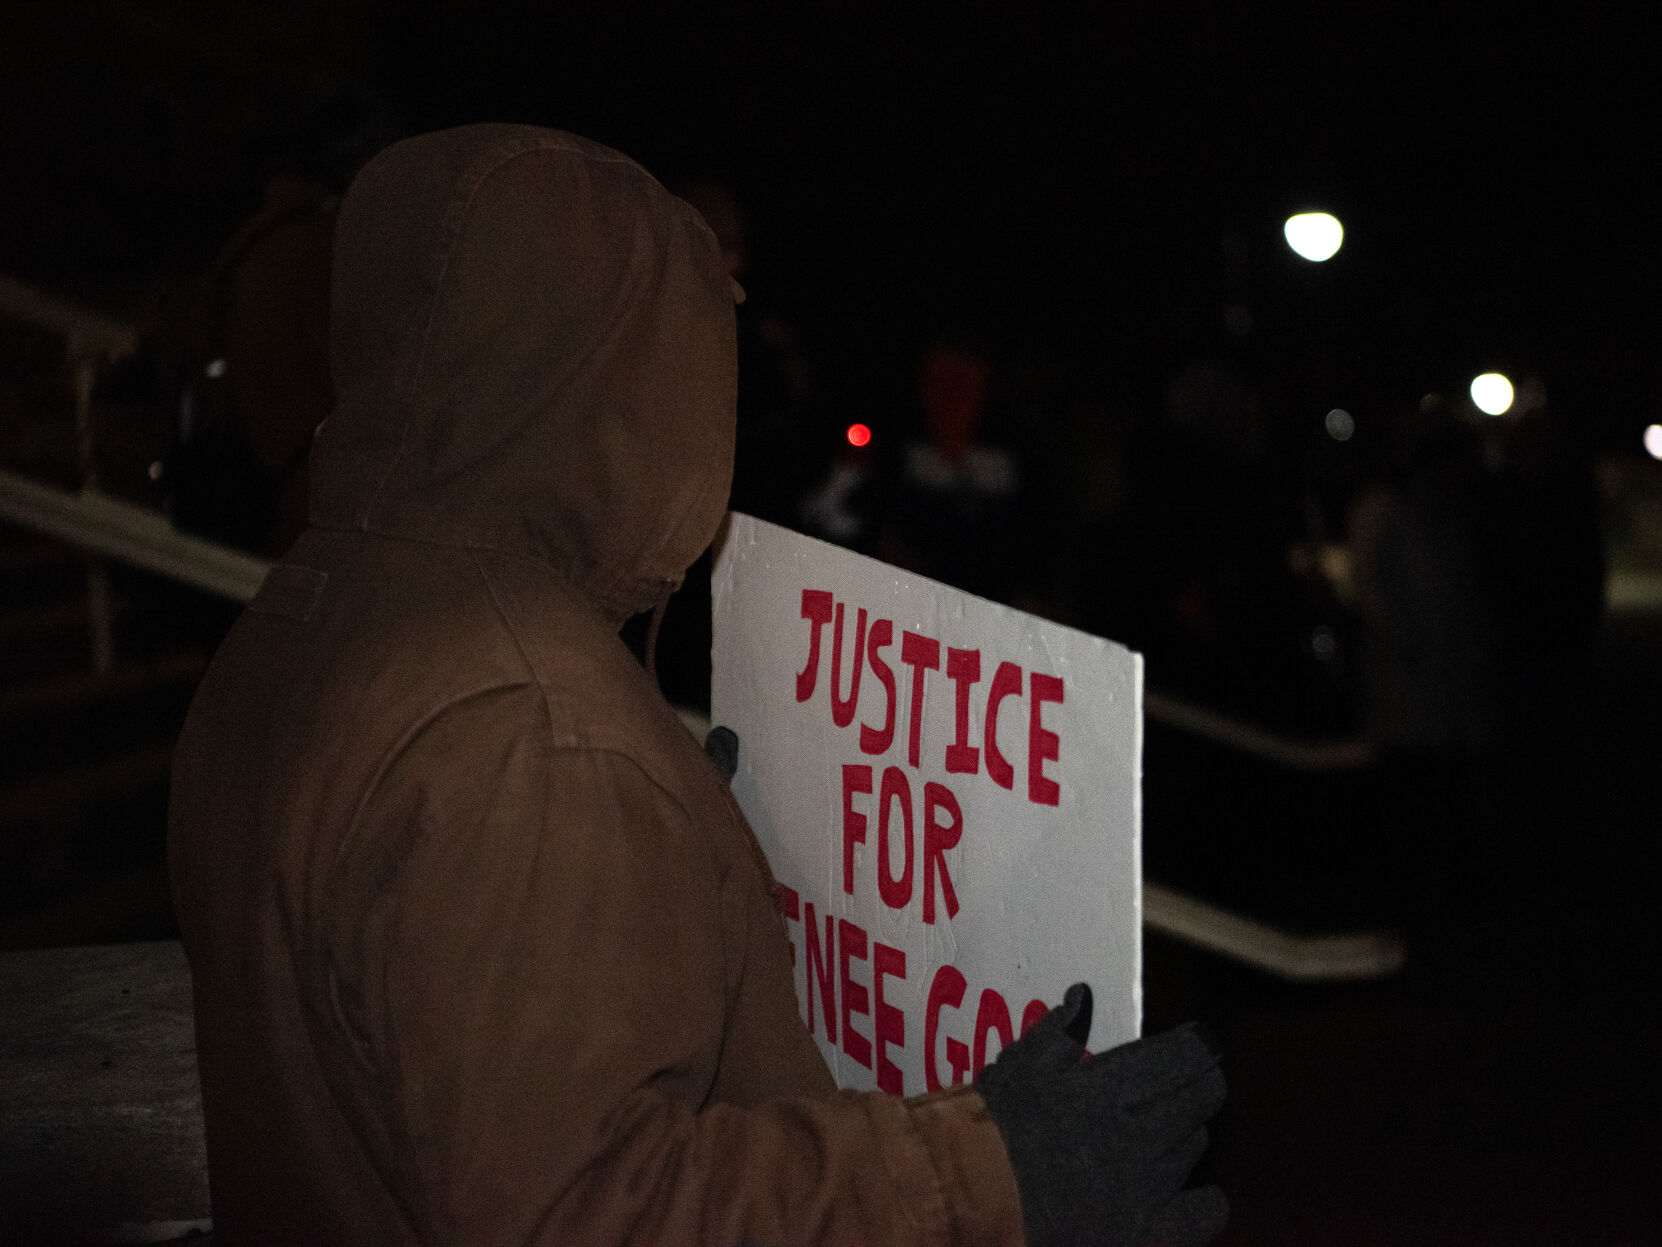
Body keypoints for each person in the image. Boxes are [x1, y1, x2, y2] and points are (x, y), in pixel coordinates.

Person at [168, 124, 1225, 1246]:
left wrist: (678, 849)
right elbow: (585, 1213)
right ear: (617, 365)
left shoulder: (322, 601)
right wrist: (986, 1175)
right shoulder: (537, 730)